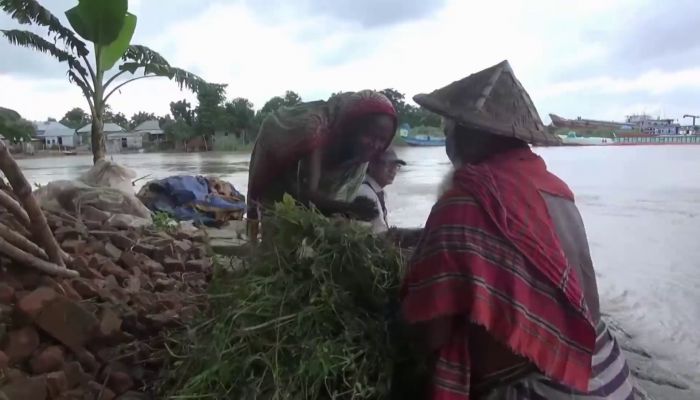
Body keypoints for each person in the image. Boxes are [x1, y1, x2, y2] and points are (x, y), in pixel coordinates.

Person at [396, 61, 643, 399]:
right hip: (607, 373)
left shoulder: (463, 204)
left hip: (540, 389)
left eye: (448, 131)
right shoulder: (556, 189)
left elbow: (428, 331)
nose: (447, 141)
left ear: (468, 134)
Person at [246, 90, 397, 238]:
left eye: (382, 140)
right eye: (369, 135)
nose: (375, 145)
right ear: (352, 129)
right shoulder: (315, 130)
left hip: (318, 172)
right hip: (280, 161)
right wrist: (351, 209)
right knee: (279, 218)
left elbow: (335, 199)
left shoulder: (361, 152)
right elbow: (308, 198)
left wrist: (345, 212)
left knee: (318, 231)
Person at [354, 148, 406, 233]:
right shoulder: (365, 193)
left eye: (396, 166)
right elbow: (378, 232)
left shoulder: (379, 192)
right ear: (371, 165)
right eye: (388, 164)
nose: (393, 170)